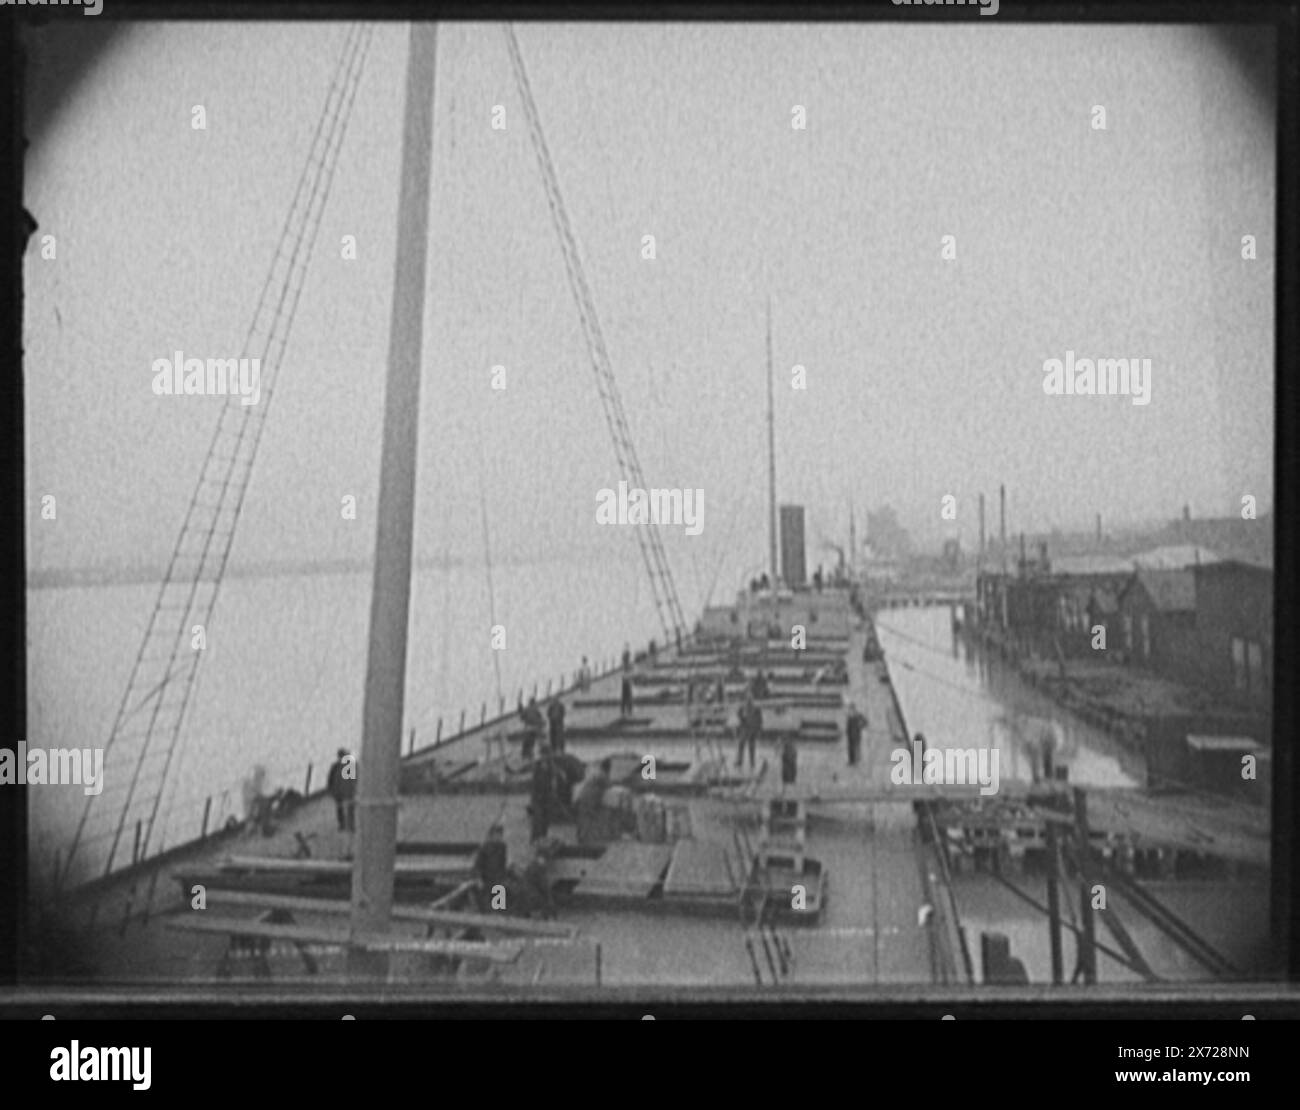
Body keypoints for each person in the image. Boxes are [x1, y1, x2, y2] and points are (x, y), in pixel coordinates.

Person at [473, 823, 508, 911]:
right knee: (486, 905)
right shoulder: (484, 848)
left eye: (500, 835)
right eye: (496, 835)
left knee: (499, 906)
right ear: (491, 835)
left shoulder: (502, 847)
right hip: (487, 880)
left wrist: (503, 876)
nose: (498, 837)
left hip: (498, 879)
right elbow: (478, 865)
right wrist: (479, 879)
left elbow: (503, 863)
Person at [529, 744, 556, 842]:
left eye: (547, 754)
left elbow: (553, 780)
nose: (545, 756)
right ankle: (535, 838)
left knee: (546, 819)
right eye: (544, 754)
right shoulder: (537, 765)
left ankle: (543, 837)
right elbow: (534, 782)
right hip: (538, 796)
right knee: (537, 819)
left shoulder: (551, 765)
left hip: (547, 796)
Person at [326, 749, 356, 832]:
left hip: (344, 790)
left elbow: (352, 779)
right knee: (341, 808)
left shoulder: (349, 765)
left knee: (348, 807)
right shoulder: (336, 766)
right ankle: (343, 824)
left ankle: (349, 824)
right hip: (338, 790)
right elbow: (331, 778)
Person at [735, 694, 761, 769]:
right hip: (745, 728)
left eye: (750, 700)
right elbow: (739, 715)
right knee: (741, 744)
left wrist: (758, 730)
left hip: (752, 729)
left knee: (751, 747)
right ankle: (740, 760)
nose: (748, 702)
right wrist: (741, 717)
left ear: (752, 700)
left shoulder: (756, 709)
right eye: (747, 700)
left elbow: (759, 720)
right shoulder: (743, 708)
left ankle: (752, 762)